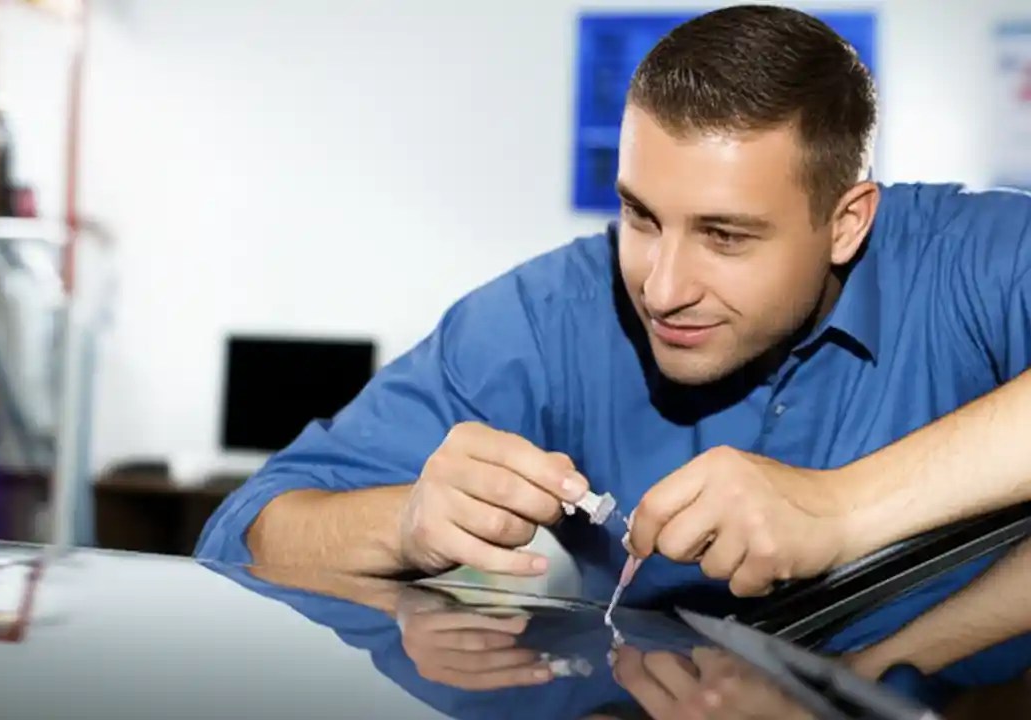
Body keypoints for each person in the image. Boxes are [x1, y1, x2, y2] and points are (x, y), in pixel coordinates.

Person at [196, 5, 1031, 606]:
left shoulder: (969, 259)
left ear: (847, 222)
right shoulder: (546, 316)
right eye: (639, 214)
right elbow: (247, 531)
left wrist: (843, 508)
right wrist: (405, 523)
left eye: (727, 236)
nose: (661, 289)